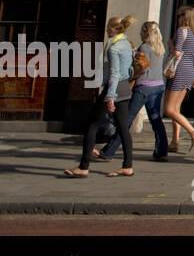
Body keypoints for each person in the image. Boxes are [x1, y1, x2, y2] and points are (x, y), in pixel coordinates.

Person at [65, 16, 136, 178]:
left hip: (114, 89)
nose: (106, 30)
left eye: (108, 27)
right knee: (123, 128)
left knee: (92, 125)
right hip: (125, 87)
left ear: (113, 29)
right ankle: (128, 166)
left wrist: (110, 97)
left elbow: (114, 73)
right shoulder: (126, 44)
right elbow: (129, 69)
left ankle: (83, 166)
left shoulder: (114, 48)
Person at [96, 20, 170, 163]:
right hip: (158, 86)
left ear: (146, 33)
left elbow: (137, 68)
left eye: (142, 31)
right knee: (156, 120)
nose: (140, 34)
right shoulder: (160, 48)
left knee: (126, 120)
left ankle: (108, 152)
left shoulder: (144, 48)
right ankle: (162, 152)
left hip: (143, 88)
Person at [164, 6, 194, 153]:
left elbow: (178, 52)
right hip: (189, 71)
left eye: (180, 15)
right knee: (176, 108)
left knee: (168, 109)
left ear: (185, 17)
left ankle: (193, 132)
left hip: (179, 70)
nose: (178, 18)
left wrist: (170, 44)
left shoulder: (182, 31)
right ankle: (174, 141)